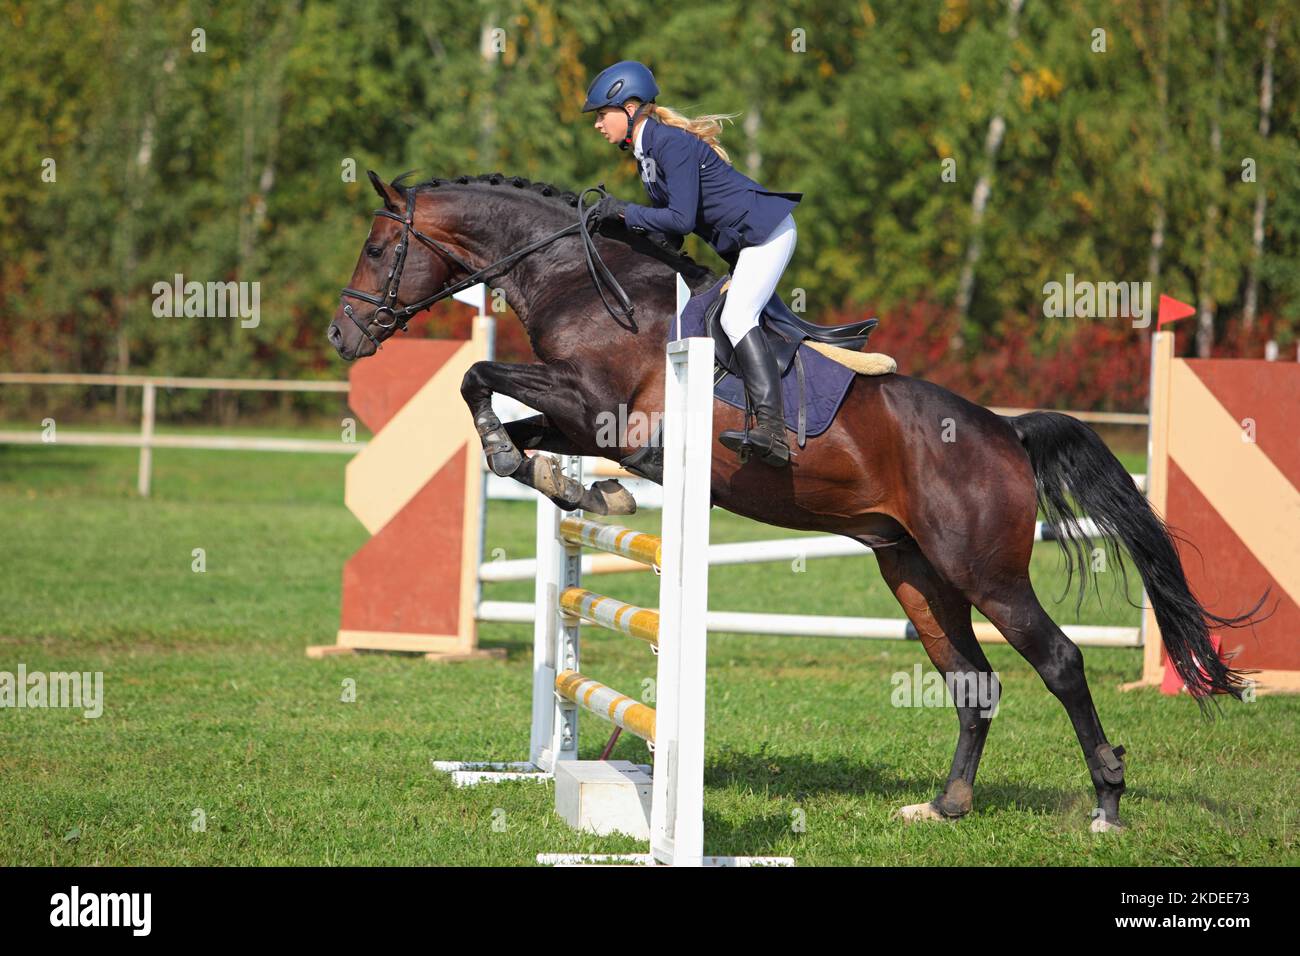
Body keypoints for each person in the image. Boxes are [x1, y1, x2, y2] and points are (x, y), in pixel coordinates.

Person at [581, 60, 802, 467]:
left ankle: (772, 432)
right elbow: (670, 234)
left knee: (736, 319)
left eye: (601, 115)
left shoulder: (669, 144)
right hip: (747, 246)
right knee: (696, 319)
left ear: (630, 109)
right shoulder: (648, 154)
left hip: (766, 235)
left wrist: (626, 212)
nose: (597, 125)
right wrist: (615, 230)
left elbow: (680, 218)